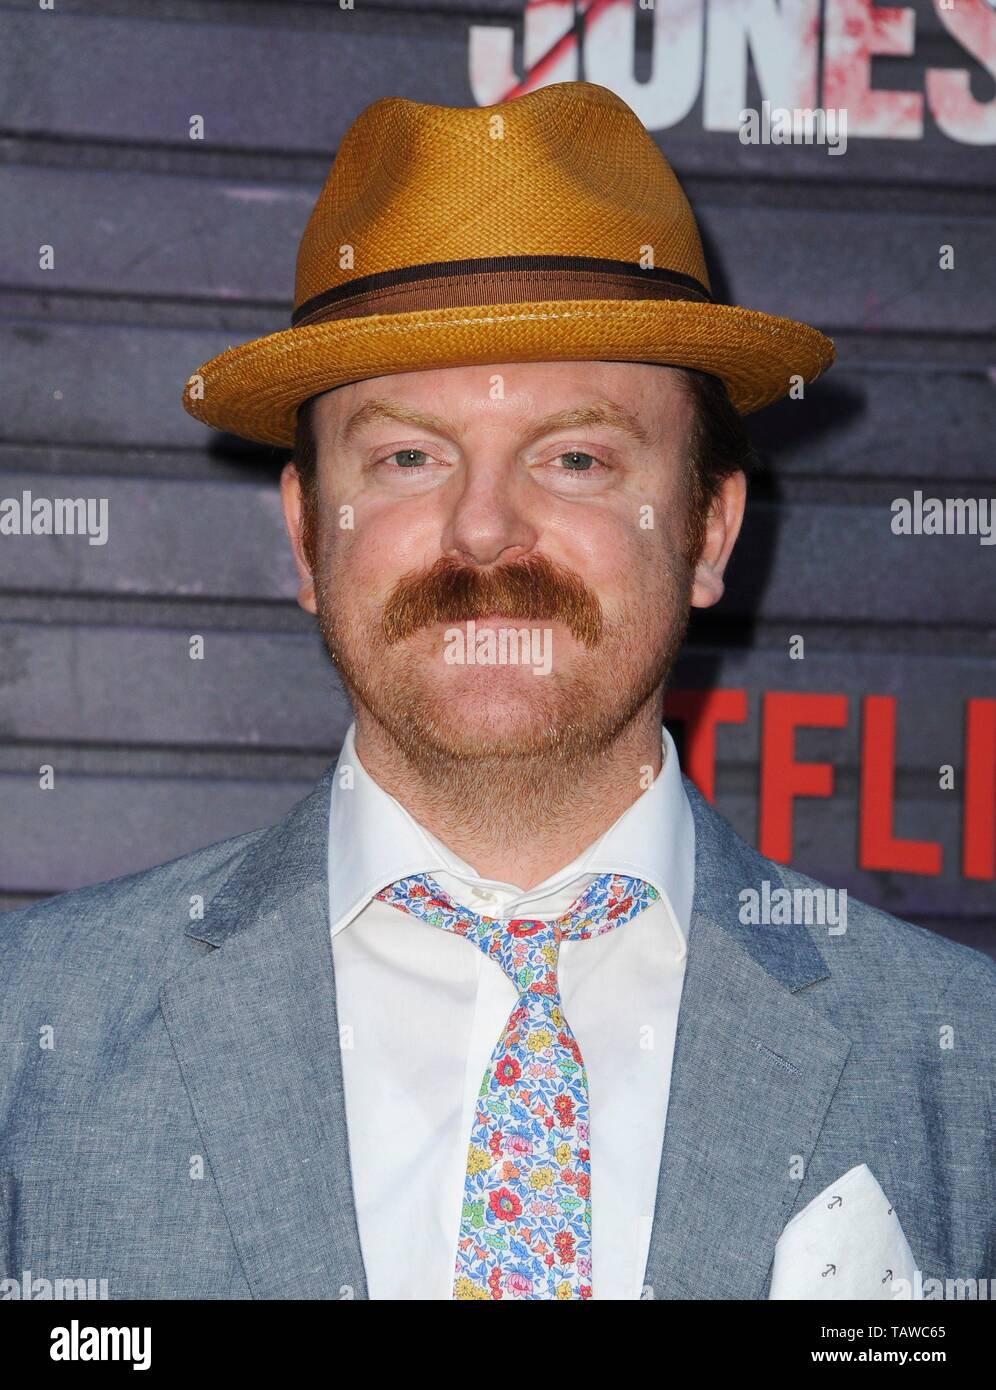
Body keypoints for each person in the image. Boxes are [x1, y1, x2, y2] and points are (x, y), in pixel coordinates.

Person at [1, 82, 992, 1302]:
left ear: (708, 530)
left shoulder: (967, 1066)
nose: (482, 529)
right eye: (408, 456)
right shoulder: (25, 1034)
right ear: (310, 534)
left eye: (576, 457)